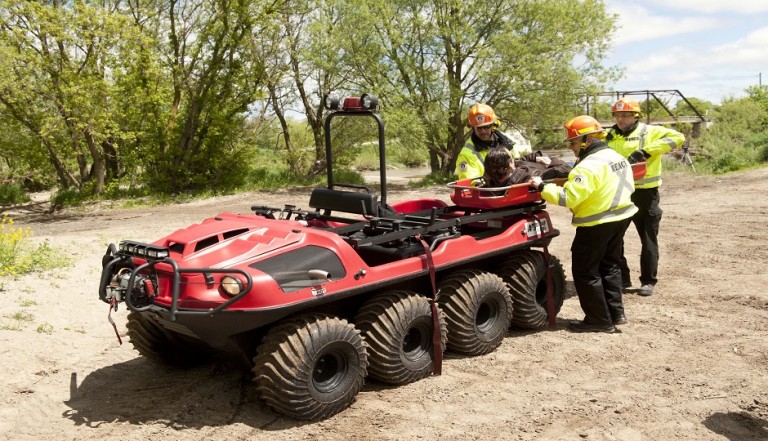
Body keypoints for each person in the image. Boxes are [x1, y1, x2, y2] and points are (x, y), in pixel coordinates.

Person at [530, 115, 637, 333]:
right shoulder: (615, 156)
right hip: (621, 217)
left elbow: (568, 198)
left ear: (587, 140)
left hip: (596, 222)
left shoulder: (587, 167)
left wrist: (542, 187)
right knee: (610, 266)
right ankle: (616, 314)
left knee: (586, 271)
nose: (571, 147)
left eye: (573, 142)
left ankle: (598, 320)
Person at [605, 98, 685, 296]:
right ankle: (622, 277)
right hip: (620, 192)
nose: (621, 119)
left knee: (648, 239)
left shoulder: (650, 131)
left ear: (635, 116)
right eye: (617, 116)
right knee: (614, 238)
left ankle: (648, 281)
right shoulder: (610, 136)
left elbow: (678, 137)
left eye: (625, 115)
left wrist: (646, 151)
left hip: (646, 193)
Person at [455, 104, 515, 179]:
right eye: (479, 128)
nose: (483, 131)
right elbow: (471, 183)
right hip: (487, 190)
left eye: (486, 127)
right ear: (473, 128)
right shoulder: (466, 154)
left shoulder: (507, 143)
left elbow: (518, 163)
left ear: (493, 125)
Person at [482, 147, 571, 187]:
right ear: (510, 166)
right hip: (552, 166)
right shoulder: (530, 176)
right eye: (512, 158)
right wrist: (551, 161)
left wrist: (536, 157)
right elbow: (566, 169)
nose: (515, 160)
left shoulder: (490, 177)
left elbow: (518, 161)